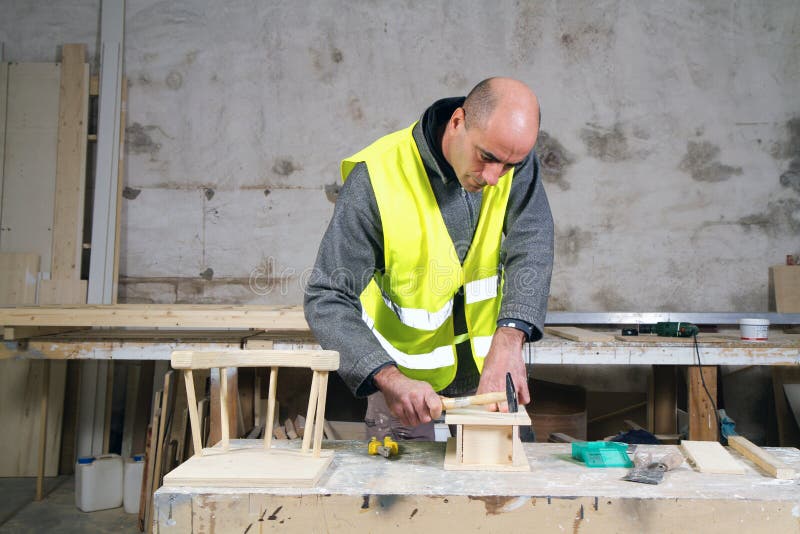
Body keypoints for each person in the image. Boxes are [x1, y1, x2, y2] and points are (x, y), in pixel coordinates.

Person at [304, 77, 553, 441]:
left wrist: (509, 340)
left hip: (492, 382)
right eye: (486, 158)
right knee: (407, 495)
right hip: (404, 392)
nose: (495, 178)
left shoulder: (510, 157)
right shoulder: (377, 178)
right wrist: (388, 377)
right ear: (457, 122)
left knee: (505, 495)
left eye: (509, 165)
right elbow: (326, 296)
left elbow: (533, 242)